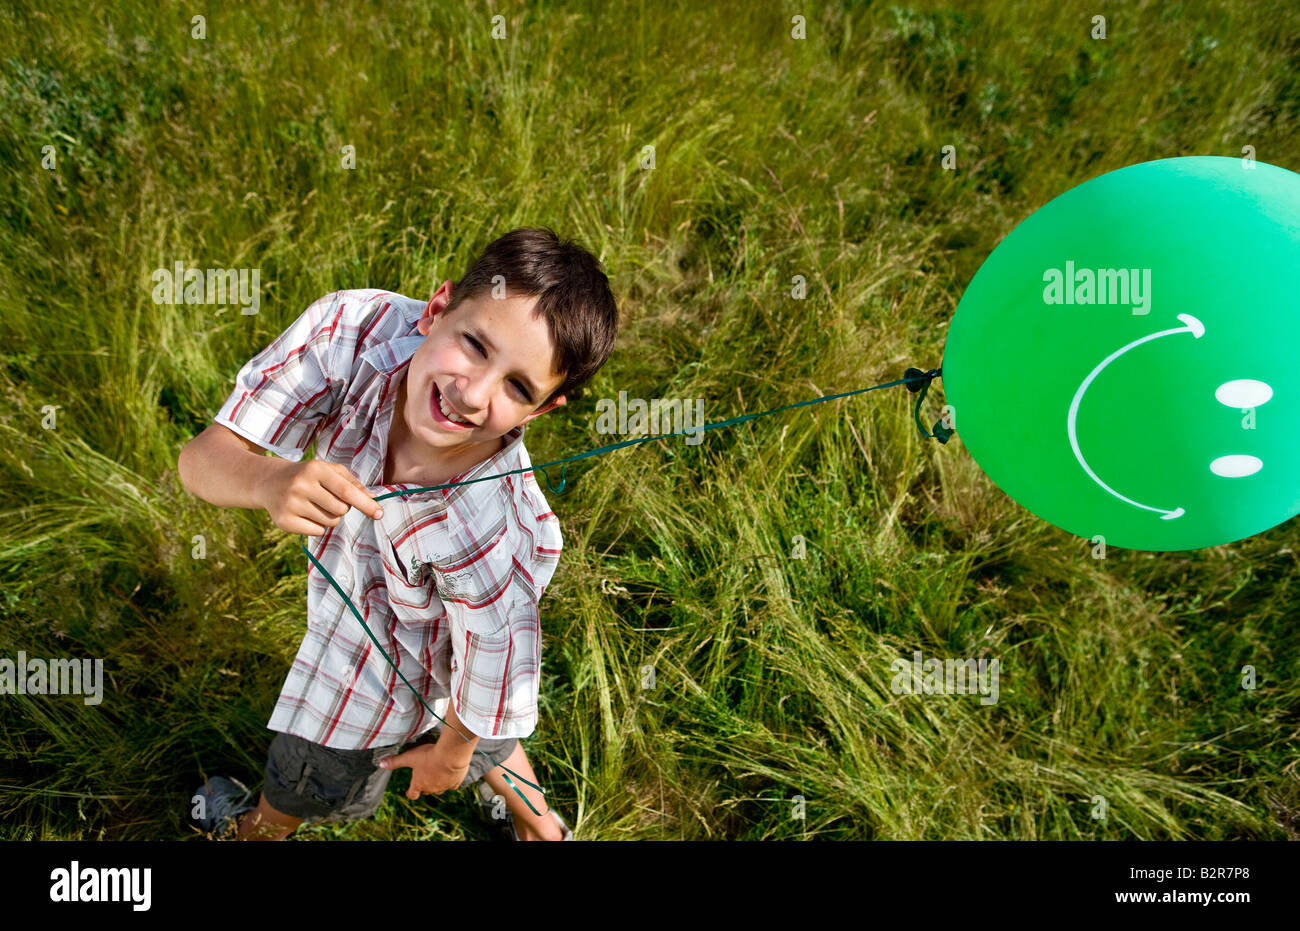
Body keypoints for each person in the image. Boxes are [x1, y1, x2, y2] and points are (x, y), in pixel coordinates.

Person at [177, 227, 619, 840]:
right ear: (436, 309)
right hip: (460, 680)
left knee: (302, 776)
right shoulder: (349, 331)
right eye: (473, 344)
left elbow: (491, 666)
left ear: (543, 409)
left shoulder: (495, 530)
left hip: (368, 684)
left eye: (518, 387)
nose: (473, 393)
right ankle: (543, 833)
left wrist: (451, 756)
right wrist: (267, 480)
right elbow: (200, 461)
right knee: (489, 732)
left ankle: (252, 832)